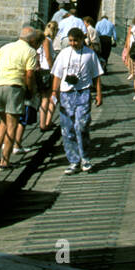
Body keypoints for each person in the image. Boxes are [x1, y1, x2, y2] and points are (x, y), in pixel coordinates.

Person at [0, 26, 39, 168]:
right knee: (12, 125)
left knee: (3, 122)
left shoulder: (6, 46)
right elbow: (30, 74)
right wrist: (30, 90)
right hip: (14, 87)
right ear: (32, 39)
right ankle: (5, 162)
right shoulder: (30, 51)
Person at [51, 27, 103, 173]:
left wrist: (99, 94)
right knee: (67, 129)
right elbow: (57, 75)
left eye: (76, 40)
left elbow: (97, 75)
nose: (73, 43)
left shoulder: (90, 54)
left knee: (81, 125)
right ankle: (73, 160)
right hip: (66, 93)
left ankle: (85, 158)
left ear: (82, 40)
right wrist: (54, 93)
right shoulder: (63, 54)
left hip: (83, 92)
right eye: (71, 41)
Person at [36, 21, 57, 130]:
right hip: (47, 71)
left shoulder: (40, 40)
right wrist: (53, 69)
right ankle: (44, 124)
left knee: (43, 97)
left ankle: (45, 122)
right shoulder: (47, 40)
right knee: (47, 97)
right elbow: (48, 57)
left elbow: (38, 56)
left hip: (41, 70)